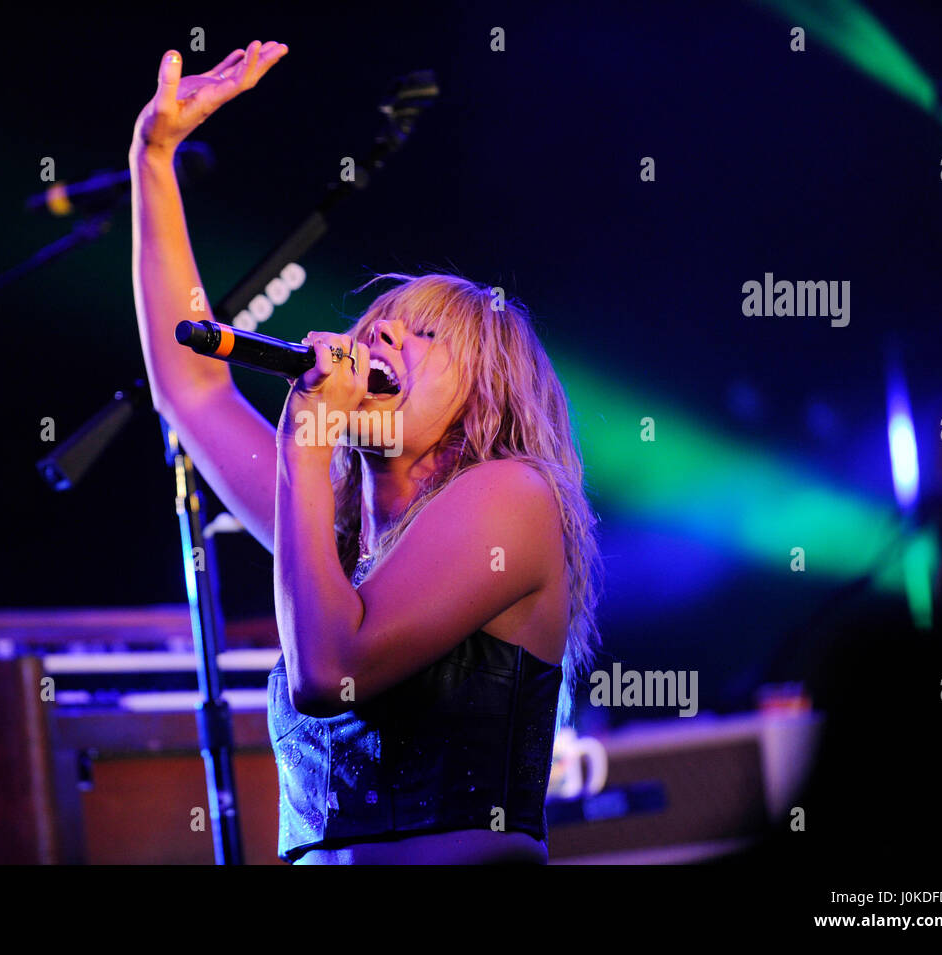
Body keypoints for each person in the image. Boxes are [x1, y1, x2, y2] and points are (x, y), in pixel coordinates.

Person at [130, 40, 602, 864]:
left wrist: (305, 438)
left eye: (421, 333)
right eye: (375, 321)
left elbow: (330, 670)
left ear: (486, 394)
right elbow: (192, 388)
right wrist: (154, 158)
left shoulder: (516, 497)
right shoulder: (339, 533)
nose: (379, 332)